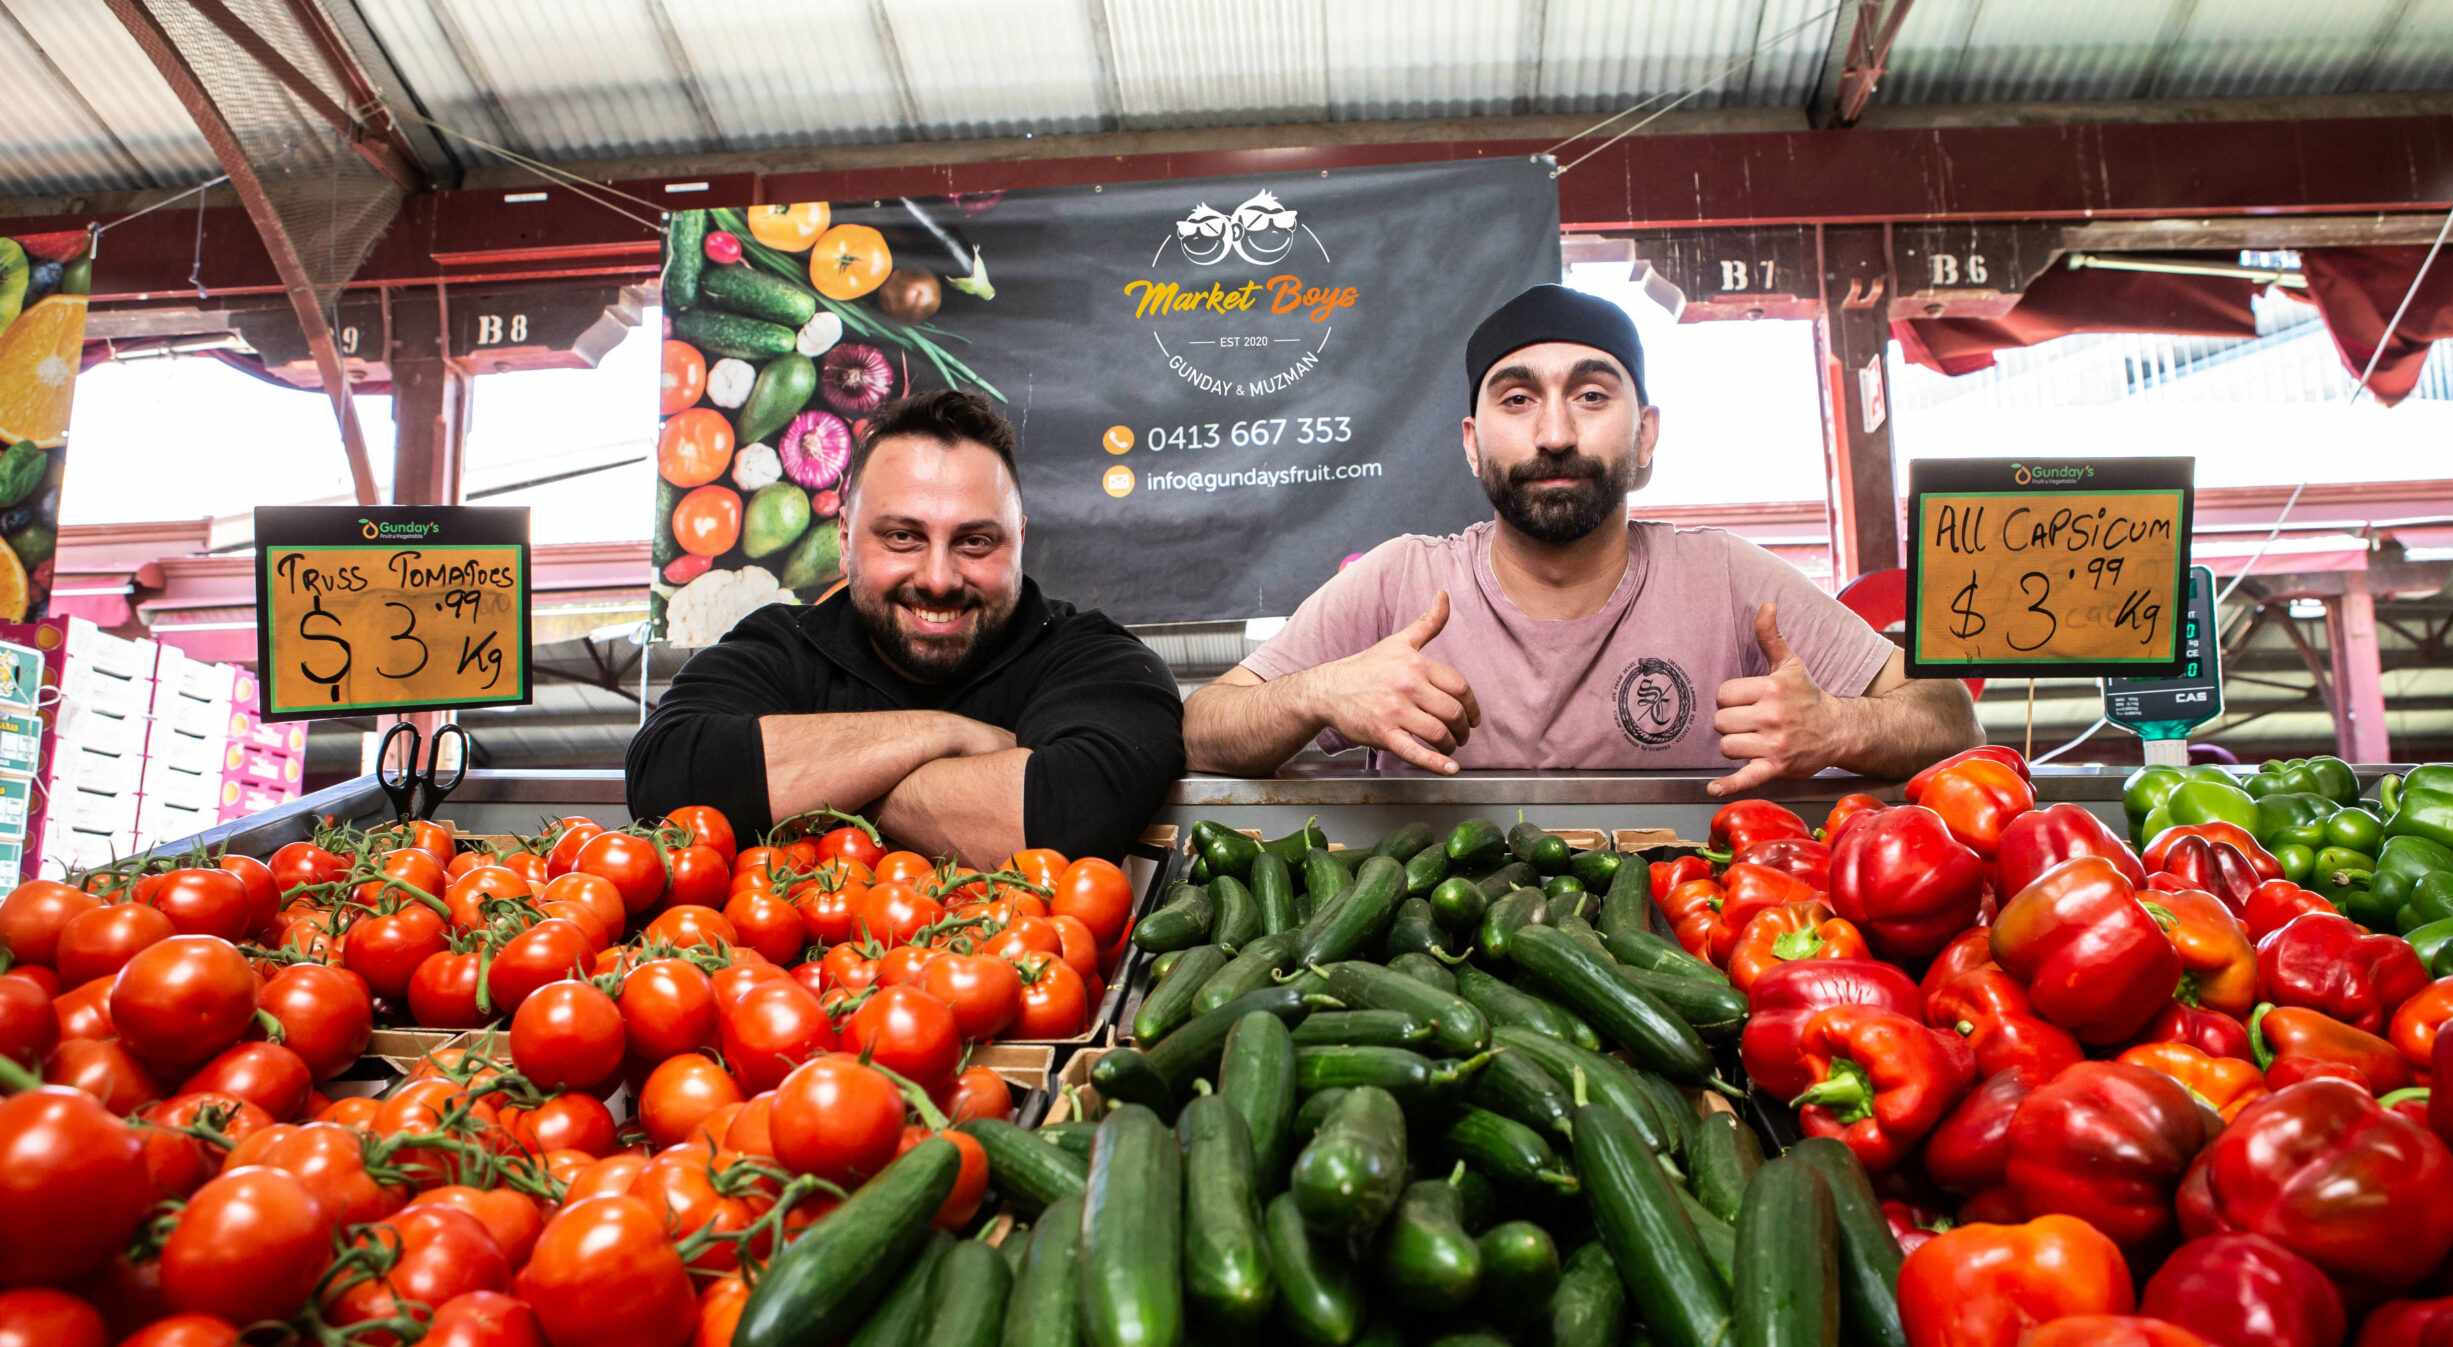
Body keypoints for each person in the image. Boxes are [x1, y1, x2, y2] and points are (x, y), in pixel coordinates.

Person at [1183, 283, 1983, 795]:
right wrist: (1320, 692)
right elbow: (1206, 729)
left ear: (1646, 435)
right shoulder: (1398, 583)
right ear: (1471, 441)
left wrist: (1837, 728)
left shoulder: (1730, 580)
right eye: (1519, 398)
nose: (1556, 433)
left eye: (1592, 394)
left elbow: (1950, 718)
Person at [628, 390, 1184, 866]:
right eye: (902, 537)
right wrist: (945, 732)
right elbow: (666, 779)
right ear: (845, 538)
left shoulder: (1096, 659)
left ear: (1019, 539)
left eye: (975, 541)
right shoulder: (778, 646)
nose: (938, 579)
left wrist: (812, 787)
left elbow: (1061, 819)